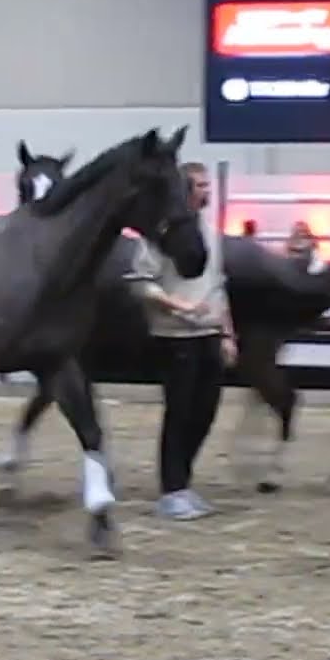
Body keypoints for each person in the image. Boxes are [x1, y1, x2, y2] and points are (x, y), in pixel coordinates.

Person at [128, 161, 236, 520]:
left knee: (204, 413)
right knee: (179, 413)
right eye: (200, 185)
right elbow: (140, 283)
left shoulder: (209, 231)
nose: (207, 190)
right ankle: (171, 490)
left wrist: (227, 333)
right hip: (175, 336)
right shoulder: (160, 234)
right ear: (185, 190)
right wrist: (178, 305)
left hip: (208, 333)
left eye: (208, 184)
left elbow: (218, 286)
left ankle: (183, 483)